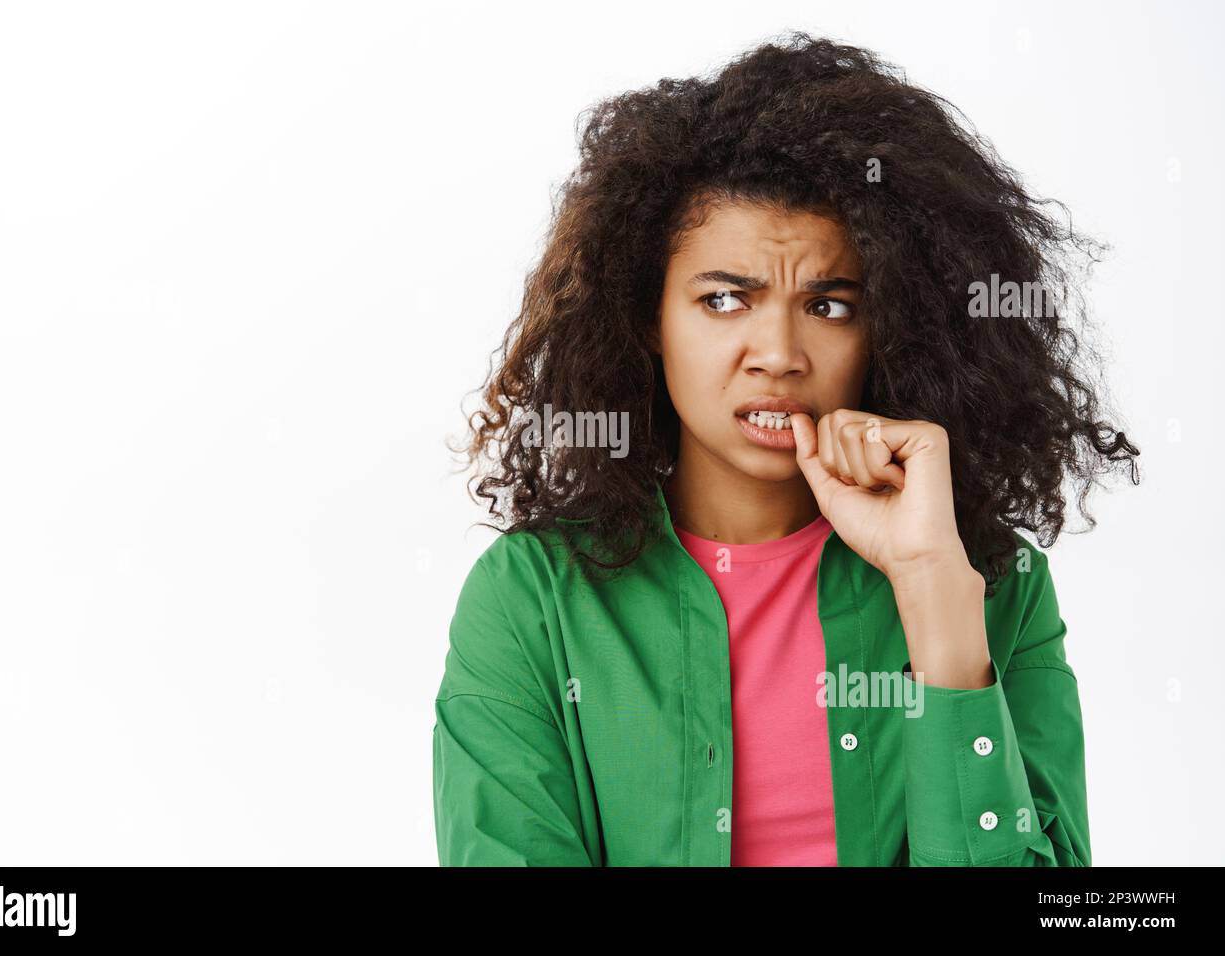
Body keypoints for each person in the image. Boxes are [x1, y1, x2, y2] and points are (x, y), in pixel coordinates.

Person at [433, 32, 1139, 866]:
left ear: (896, 328)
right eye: (726, 299)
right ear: (647, 320)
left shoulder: (990, 584)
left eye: (830, 305)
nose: (778, 352)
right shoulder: (532, 602)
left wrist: (935, 601)